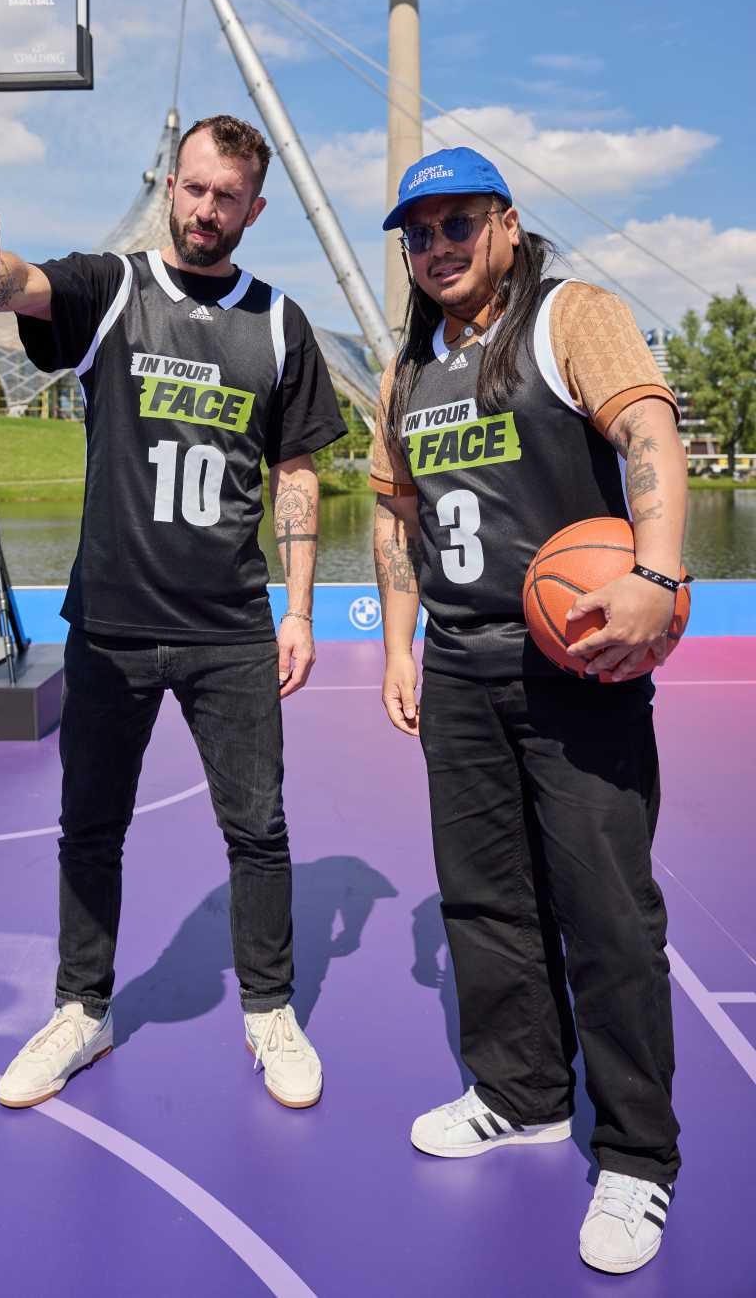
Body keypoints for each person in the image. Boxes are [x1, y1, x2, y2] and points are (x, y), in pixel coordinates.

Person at [0, 114, 346, 1112]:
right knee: (89, 828)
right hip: (109, 622)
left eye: (226, 196)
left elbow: (299, 471)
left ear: (253, 209)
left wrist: (300, 610)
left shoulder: (279, 322)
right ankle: (81, 1011)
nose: (205, 209)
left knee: (258, 829)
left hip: (230, 627)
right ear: (170, 186)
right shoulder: (114, 288)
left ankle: (269, 1012)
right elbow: (17, 285)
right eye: (193, 188)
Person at [370, 147, 686, 1276]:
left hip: (575, 664)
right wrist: (398, 642)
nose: (437, 247)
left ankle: (638, 1158)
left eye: (458, 224)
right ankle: (520, 1095)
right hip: (458, 667)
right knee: (485, 903)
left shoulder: (570, 315)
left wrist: (655, 574)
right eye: (418, 232)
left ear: (505, 224)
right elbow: (397, 513)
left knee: (605, 914)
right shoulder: (408, 368)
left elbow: (648, 430)